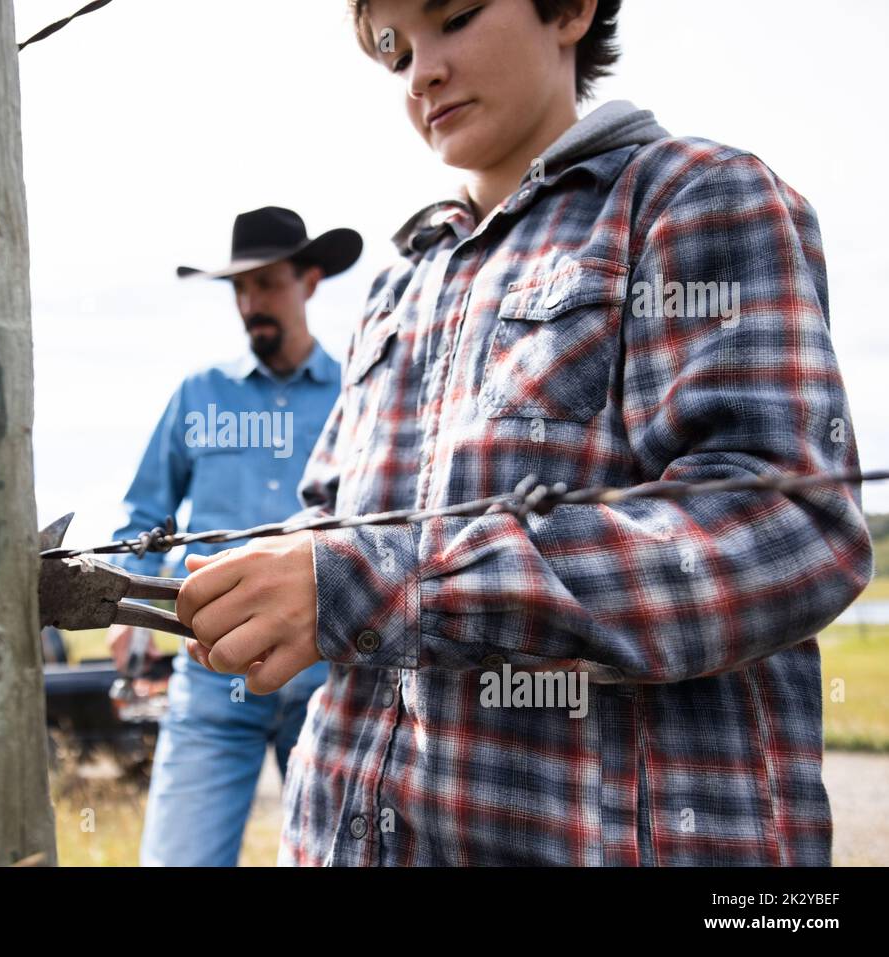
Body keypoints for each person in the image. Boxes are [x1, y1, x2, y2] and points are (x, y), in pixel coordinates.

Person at [175, 0, 873, 866]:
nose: (422, 71)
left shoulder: (690, 197)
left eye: (456, 18)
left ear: (571, 10)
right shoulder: (400, 288)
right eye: (395, 55)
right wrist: (263, 581)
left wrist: (381, 585)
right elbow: (330, 525)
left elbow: (785, 536)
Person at [105, 206, 362, 866]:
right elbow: (145, 521)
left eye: (267, 283)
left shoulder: (358, 393)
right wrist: (128, 612)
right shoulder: (199, 396)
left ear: (309, 281)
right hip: (210, 670)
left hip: (327, 673)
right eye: (240, 289)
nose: (252, 303)